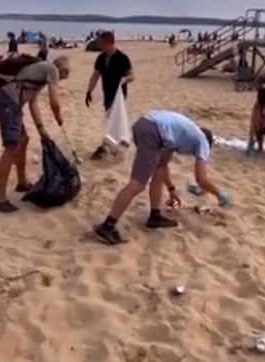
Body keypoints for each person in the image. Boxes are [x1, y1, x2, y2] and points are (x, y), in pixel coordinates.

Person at [94, 110, 229, 245]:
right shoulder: (202, 141)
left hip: (146, 125)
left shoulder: (181, 134)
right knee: (137, 185)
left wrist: (171, 189)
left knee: (158, 172)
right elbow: (201, 179)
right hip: (152, 131)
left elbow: (163, 165)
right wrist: (220, 194)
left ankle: (155, 216)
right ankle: (107, 226)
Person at [0, 56, 70, 213]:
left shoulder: (39, 75)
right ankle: (0, 198)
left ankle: (22, 182)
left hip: (12, 103)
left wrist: (41, 129)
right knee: (12, 146)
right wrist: (58, 117)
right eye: (64, 76)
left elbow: (32, 103)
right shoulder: (52, 70)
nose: (60, 80)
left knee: (24, 139)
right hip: (7, 101)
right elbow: (54, 102)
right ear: (63, 71)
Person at [85, 31, 134, 159]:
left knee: (114, 120)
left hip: (119, 96)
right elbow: (95, 75)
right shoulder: (101, 58)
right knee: (112, 120)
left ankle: (111, 146)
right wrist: (89, 91)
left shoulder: (122, 58)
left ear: (109, 43)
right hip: (107, 94)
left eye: (102, 43)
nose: (100, 46)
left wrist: (124, 79)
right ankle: (117, 143)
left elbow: (132, 76)